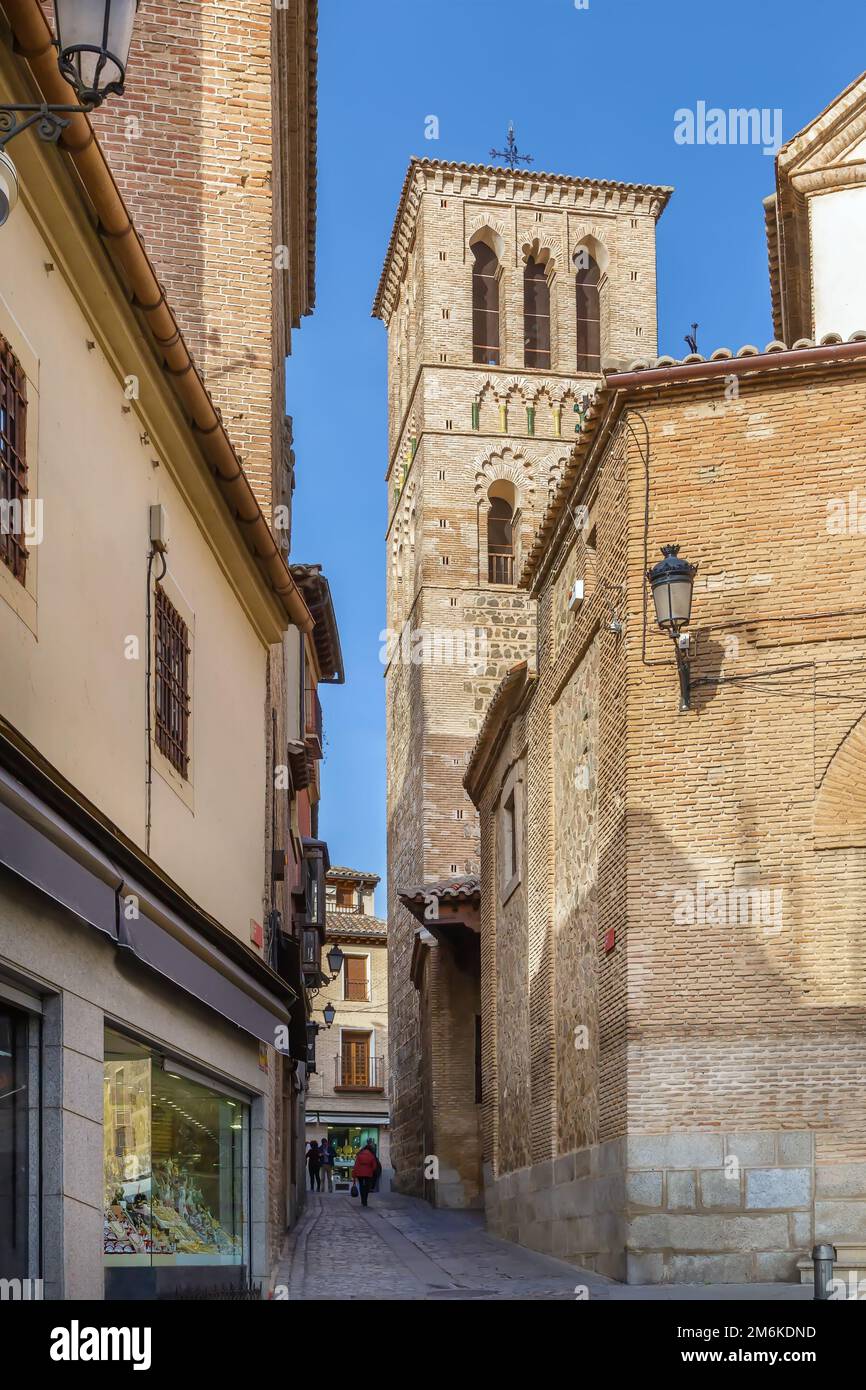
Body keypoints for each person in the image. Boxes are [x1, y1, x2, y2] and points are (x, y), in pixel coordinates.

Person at [352, 1140, 378, 1207]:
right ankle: (365, 1200)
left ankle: (362, 1200)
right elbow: (374, 1166)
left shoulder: (359, 1155)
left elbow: (356, 1165)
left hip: (360, 1173)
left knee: (361, 1186)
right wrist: (372, 1170)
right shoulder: (371, 1155)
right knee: (367, 1187)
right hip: (368, 1173)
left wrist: (354, 1174)